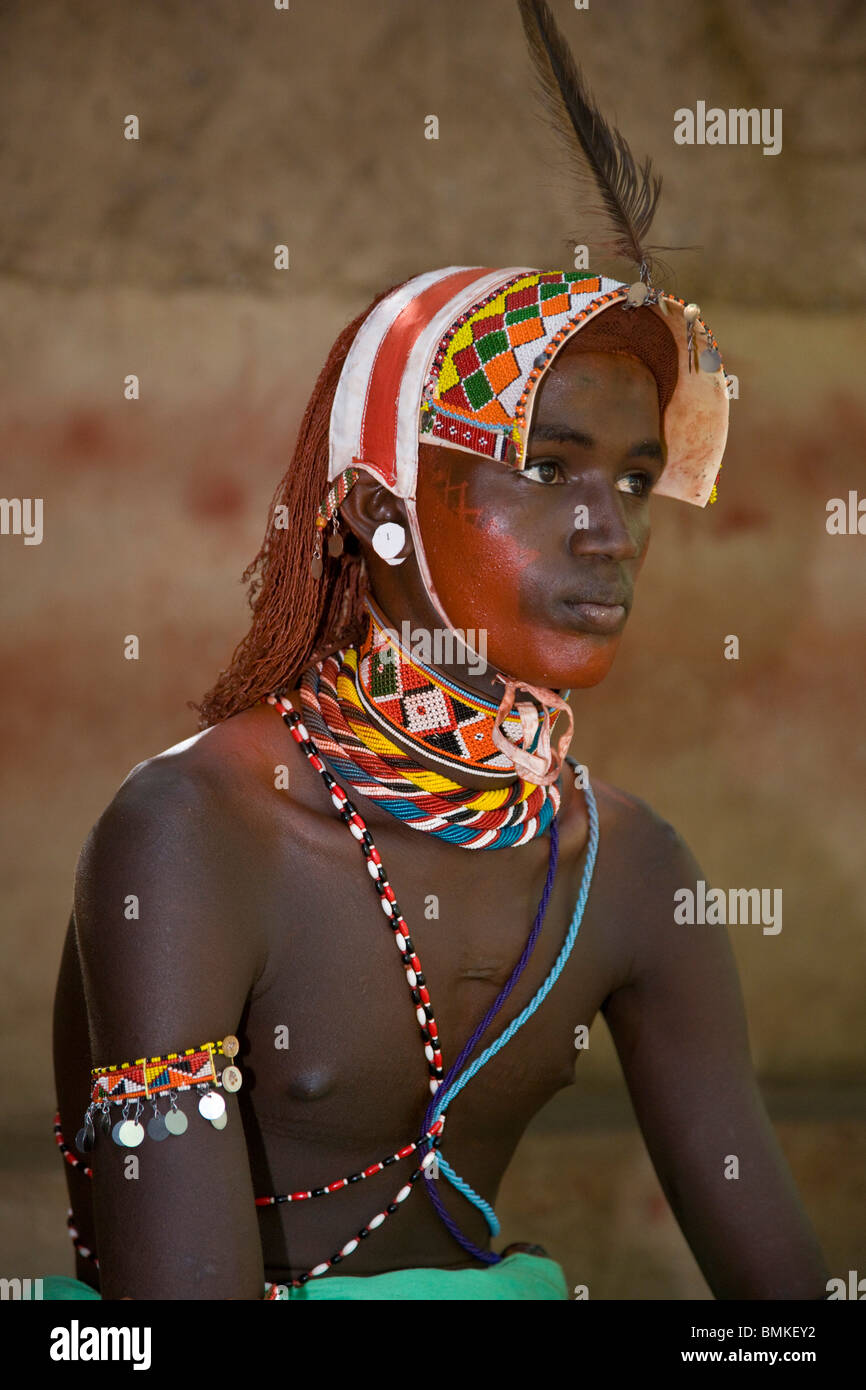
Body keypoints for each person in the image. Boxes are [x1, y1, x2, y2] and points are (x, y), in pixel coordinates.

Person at [45, 3, 830, 1302]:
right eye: (542, 467)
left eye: (635, 479)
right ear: (374, 511)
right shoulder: (196, 825)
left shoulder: (625, 864)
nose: (608, 530)